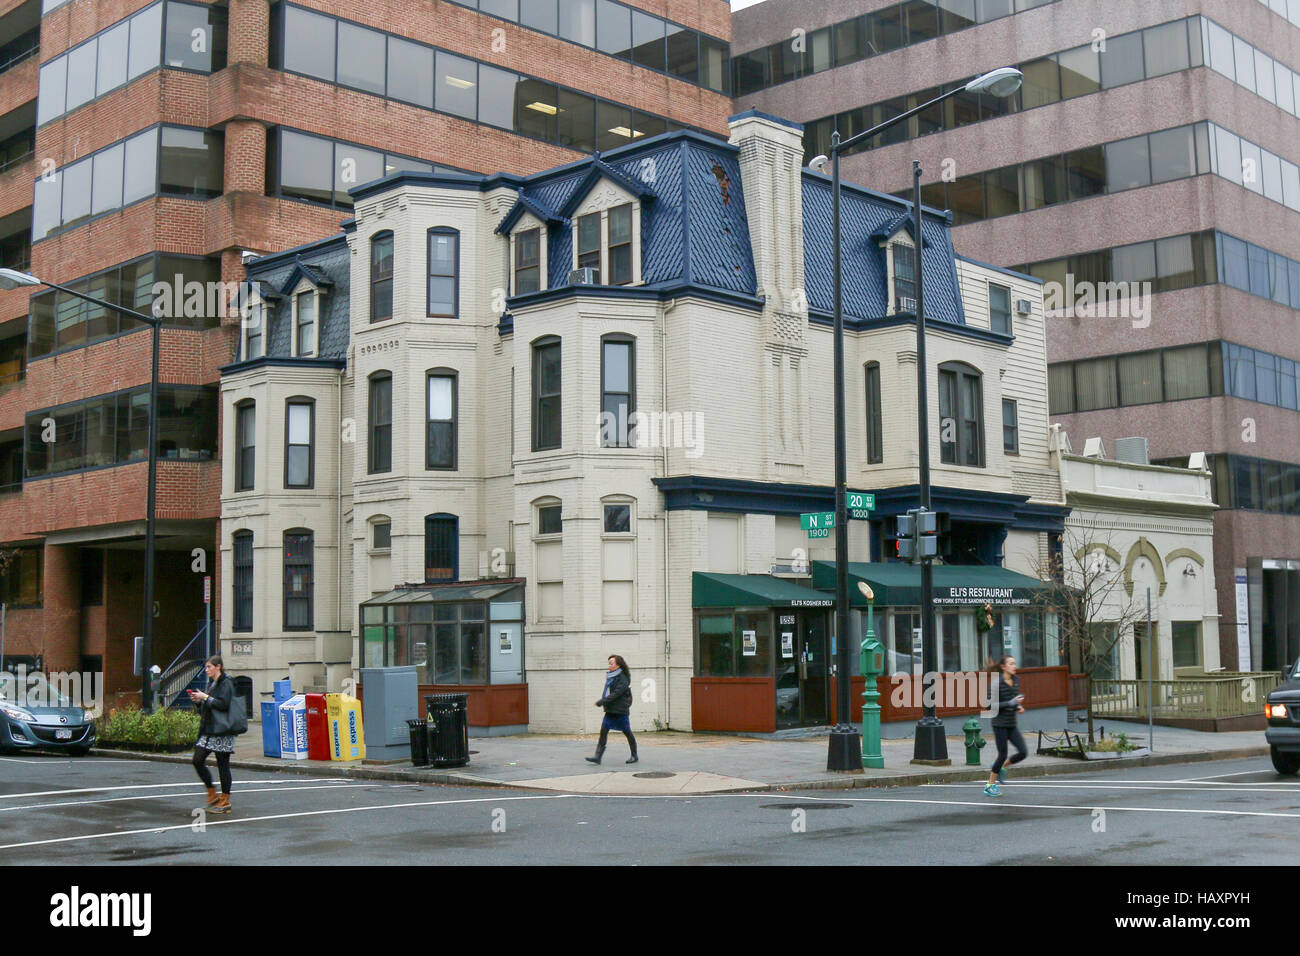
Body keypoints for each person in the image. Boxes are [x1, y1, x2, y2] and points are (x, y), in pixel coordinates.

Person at [189, 655, 236, 814]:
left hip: (223, 730)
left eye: (209, 667)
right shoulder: (211, 683)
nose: (207, 670)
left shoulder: (226, 683)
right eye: (206, 667)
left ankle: (225, 799)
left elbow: (224, 705)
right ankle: (212, 793)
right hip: (210, 730)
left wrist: (206, 697)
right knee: (197, 759)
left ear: (218, 667)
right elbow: (207, 708)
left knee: (222, 763)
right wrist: (198, 701)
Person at [985, 654, 1027, 797]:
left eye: (1015, 663)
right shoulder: (997, 683)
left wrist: (1017, 707)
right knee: (1002, 754)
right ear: (1003, 667)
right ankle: (990, 785)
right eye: (1011, 664)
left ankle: (1001, 768)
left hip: (1011, 723)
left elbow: (1012, 701)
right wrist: (1009, 704)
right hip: (1000, 724)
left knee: (1023, 752)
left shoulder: (1015, 681)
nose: (1014, 666)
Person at [585, 654, 637, 765]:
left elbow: (616, 693)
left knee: (627, 732)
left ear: (618, 665)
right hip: (610, 711)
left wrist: (602, 701)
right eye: (609, 663)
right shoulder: (611, 676)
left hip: (620, 711)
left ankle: (634, 755)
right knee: (603, 731)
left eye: (611, 663)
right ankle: (597, 757)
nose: (609, 665)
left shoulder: (623, 678)